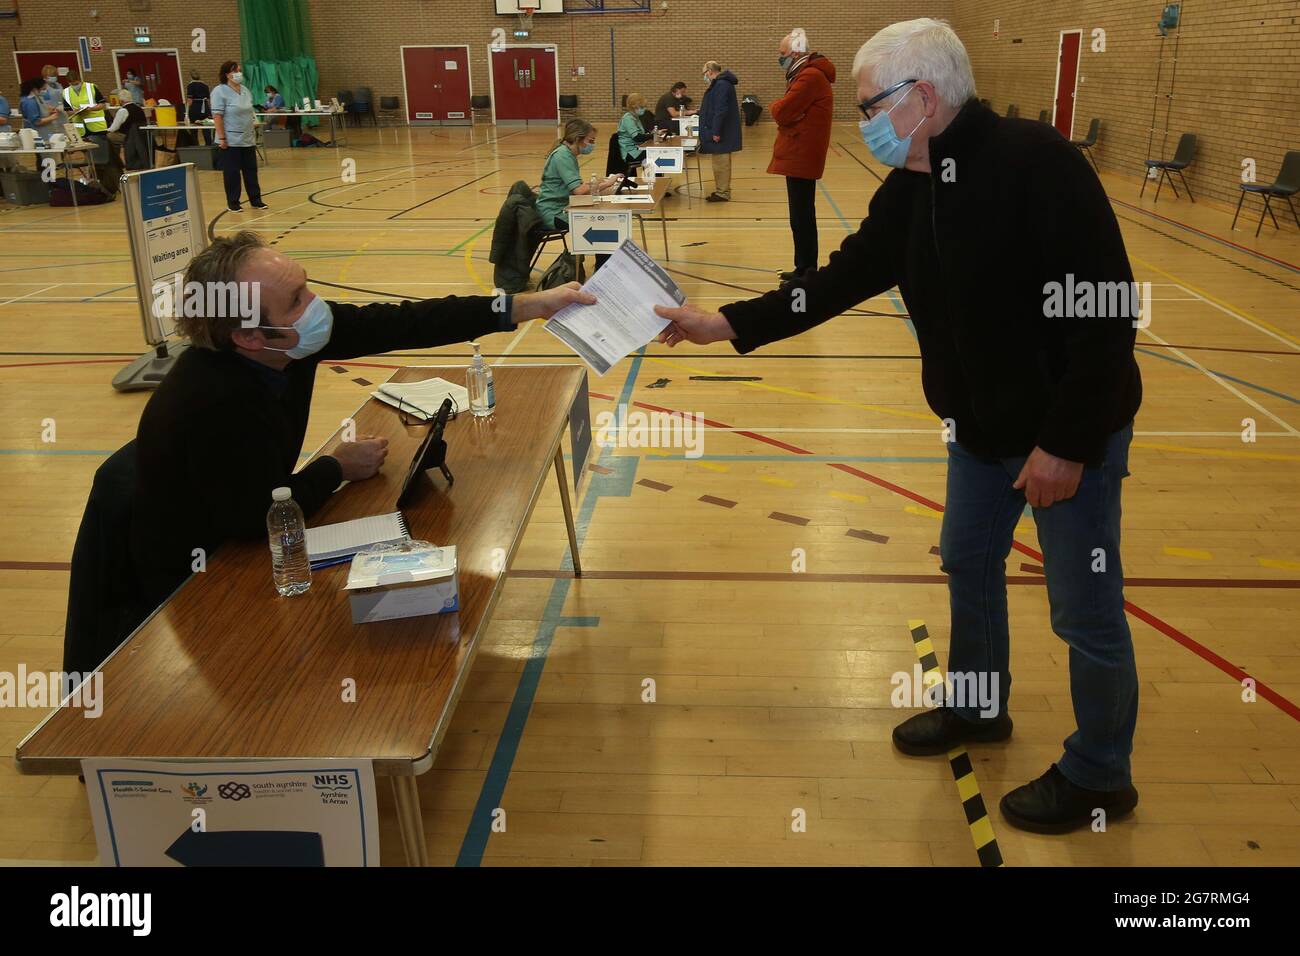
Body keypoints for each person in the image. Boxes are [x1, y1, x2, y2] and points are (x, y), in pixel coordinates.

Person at [653, 18, 1143, 835]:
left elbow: (1107, 314)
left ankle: (1101, 774)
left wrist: (1066, 444)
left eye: (871, 102)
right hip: (979, 432)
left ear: (923, 97)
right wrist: (728, 324)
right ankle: (980, 709)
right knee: (968, 562)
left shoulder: (1038, 165)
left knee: (1082, 608)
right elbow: (842, 277)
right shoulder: (913, 184)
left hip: (1065, 433)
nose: (863, 119)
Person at [130, 231, 596, 612]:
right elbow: (253, 520)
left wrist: (527, 306)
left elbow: (406, 323)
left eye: (307, 285)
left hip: (245, 525)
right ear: (250, 336)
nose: (316, 305)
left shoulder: (285, 342)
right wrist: (335, 468)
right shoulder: (211, 404)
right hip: (198, 576)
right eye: (297, 299)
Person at [770, 28, 835, 281]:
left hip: (802, 153)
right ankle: (803, 267)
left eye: (782, 53)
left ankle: (807, 270)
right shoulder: (802, 74)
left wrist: (781, 108)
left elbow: (782, 112)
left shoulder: (809, 77)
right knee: (800, 215)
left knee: (802, 216)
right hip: (800, 151)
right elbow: (790, 113)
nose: (780, 57)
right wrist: (790, 114)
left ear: (796, 52)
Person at [537, 119, 622, 272]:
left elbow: (578, 187)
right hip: (554, 213)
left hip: (564, 207)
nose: (592, 145)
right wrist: (608, 184)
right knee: (603, 222)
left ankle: (603, 267)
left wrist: (599, 183)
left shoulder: (567, 154)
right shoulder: (562, 156)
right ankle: (603, 271)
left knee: (603, 220)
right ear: (577, 139)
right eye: (590, 141)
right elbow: (579, 191)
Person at [211, 59, 266, 212]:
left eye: (239, 71)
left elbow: (250, 112)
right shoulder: (219, 91)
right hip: (230, 140)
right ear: (227, 74)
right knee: (232, 173)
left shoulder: (245, 90)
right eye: (235, 71)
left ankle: (256, 200)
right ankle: (233, 202)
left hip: (247, 138)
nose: (238, 74)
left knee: (251, 171)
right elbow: (217, 116)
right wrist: (222, 138)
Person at [61, 72, 119, 192]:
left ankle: (107, 184)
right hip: (80, 130)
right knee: (90, 158)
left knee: (102, 159)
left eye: (76, 83)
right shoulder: (66, 92)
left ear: (80, 80)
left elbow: (102, 104)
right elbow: (67, 111)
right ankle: (94, 183)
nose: (74, 85)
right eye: (72, 84)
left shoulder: (91, 87)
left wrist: (90, 109)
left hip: (97, 128)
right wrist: (75, 111)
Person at [697, 61, 741, 202]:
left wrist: (715, 131)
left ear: (710, 71)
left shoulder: (721, 85)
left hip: (720, 132)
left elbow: (720, 110)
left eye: (704, 73)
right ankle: (722, 190)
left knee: (721, 163)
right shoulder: (720, 84)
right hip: (718, 130)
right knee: (719, 163)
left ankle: (722, 192)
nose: (704, 76)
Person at [107, 89, 151, 170]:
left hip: (127, 135)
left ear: (121, 100)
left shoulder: (123, 110)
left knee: (109, 137)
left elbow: (114, 128)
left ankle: (114, 162)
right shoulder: (139, 108)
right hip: (141, 135)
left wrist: (105, 130)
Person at [616, 93, 654, 170]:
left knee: (654, 152)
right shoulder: (628, 119)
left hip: (636, 148)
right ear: (634, 107)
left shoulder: (636, 117)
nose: (644, 109)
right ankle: (651, 179)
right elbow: (637, 137)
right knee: (654, 154)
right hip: (630, 152)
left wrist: (651, 133)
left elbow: (642, 133)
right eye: (642, 107)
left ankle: (652, 179)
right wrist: (653, 135)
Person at [19, 77, 60, 144]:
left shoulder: (36, 97)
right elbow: (36, 121)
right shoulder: (29, 102)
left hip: (46, 132)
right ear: (35, 89)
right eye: (43, 89)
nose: (45, 91)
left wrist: (48, 111)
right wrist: (52, 117)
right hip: (39, 134)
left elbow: (39, 111)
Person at [184, 69, 212, 146]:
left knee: (194, 129)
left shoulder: (190, 85)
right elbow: (208, 100)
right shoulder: (205, 85)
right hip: (205, 108)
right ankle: (209, 145)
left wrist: (186, 112)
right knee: (206, 128)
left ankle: (195, 145)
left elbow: (190, 100)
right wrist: (208, 110)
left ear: (191, 77)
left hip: (195, 108)